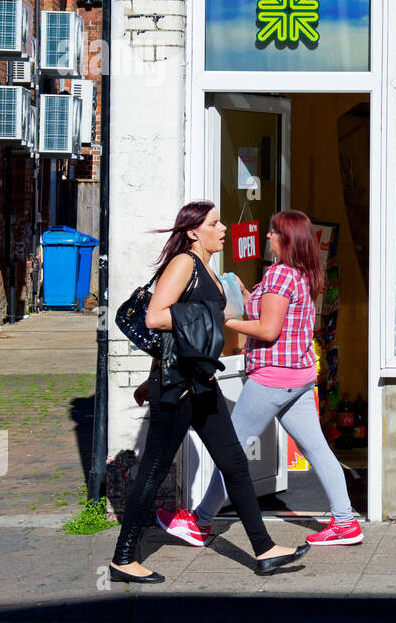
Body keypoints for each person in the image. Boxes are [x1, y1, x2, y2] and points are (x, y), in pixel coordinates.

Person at [109, 201, 309, 583]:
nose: (223, 230)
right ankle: (123, 557)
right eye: (215, 224)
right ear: (193, 232)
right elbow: (155, 316)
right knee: (153, 468)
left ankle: (264, 549)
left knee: (234, 463)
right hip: (179, 389)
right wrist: (209, 320)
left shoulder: (211, 272)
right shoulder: (184, 263)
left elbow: (193, 332)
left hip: (202, 383)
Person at [158, 210, 364, 549]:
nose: (268, 237)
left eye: (273, 232)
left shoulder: (279, 276)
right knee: (317, 448)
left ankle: (201, 522)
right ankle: (344, 521)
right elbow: (273, 314)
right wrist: (245, 294)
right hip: (298, 375)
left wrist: (221, 320)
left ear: (287, 239)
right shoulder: (301, 274)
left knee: (231, 451)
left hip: (273, 377)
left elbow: (268, 329)